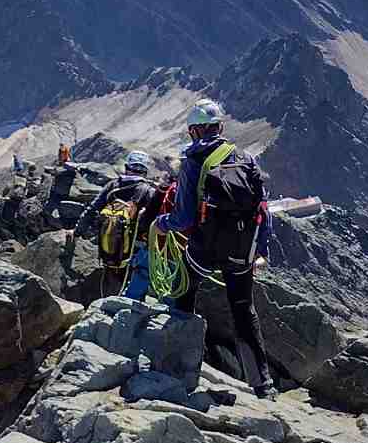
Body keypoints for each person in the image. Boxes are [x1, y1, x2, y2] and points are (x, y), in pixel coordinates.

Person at [154, 99, 276, 398]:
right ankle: (263, 385)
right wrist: (260, 251)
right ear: (220, 127)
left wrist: (161, 224)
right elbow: (263, 210)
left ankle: (176, 367)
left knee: (183, 292)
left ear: (194, 131)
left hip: (204, 249)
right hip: (241, 252)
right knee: (243, 310)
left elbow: (183, 218)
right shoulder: (245, 158)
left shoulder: (193, 161)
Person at [70, 150, 165, 301]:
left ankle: (104, 305)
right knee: (132, 284)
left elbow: (92, 209)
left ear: (127, 167)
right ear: (145, 171)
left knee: (109, 281)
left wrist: (77, 231)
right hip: (135, 248)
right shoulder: (149, 191)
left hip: (109, 244)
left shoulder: (112, 186)